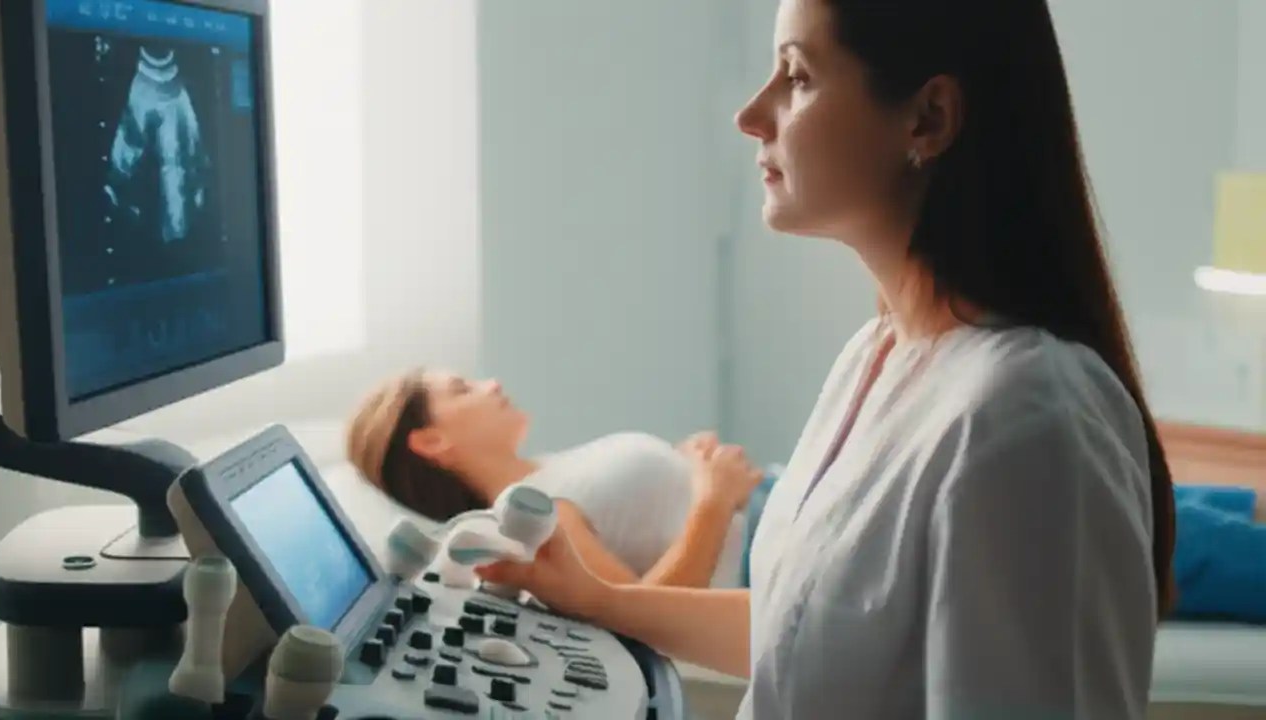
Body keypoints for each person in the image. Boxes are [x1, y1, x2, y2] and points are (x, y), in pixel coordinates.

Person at [476, 0, 1177, 718]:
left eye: (797, 76)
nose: (751, 114)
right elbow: (802, 630)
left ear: (928, 119)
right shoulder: (872, 359)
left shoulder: (1026, 418)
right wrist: (602, 601)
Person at [345, 369, 767, 589]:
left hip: (773, 502)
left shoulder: (546, 471)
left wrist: (687, 467)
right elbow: (648, 615)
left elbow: (640, 517)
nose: (491, 385)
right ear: (432, 441)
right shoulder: (533, 514)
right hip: (763, 551)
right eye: (463, 389)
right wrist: (714, 498)